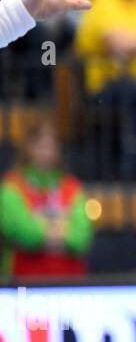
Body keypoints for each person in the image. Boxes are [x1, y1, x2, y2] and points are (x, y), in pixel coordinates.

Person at [0, 116, 93, 280]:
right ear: (28, 147)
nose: (47, 152)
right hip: (22, 288)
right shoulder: (11, 187)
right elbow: (25, 234)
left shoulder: (72, 187)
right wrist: (62, 227)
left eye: (51, 145)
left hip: (70, 289)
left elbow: (80, 238)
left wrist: (40, 227)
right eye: (41, 145)